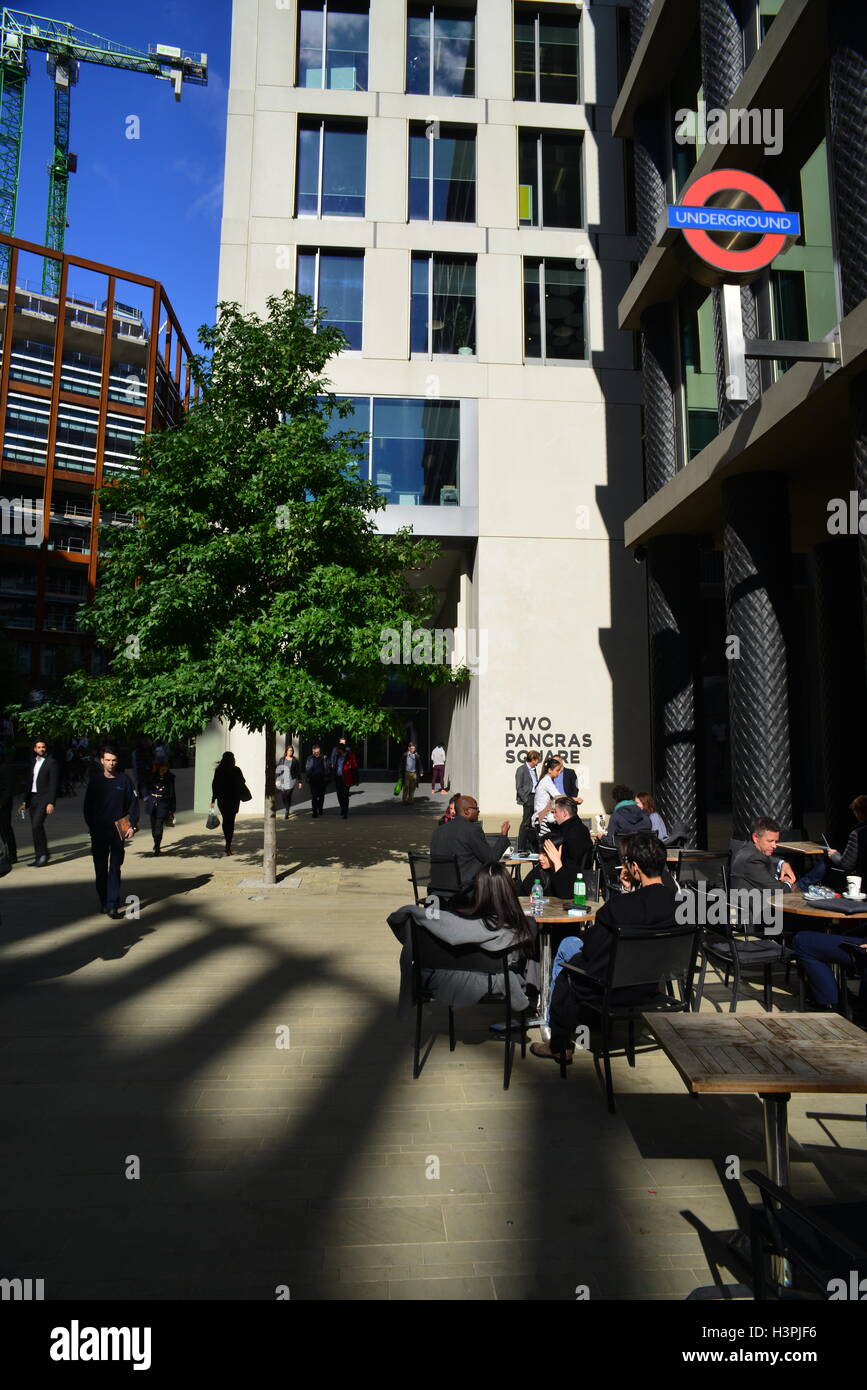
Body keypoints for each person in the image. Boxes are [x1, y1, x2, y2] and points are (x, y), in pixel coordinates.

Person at [531, 832, 680, 1062]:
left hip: (612, 987)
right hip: (650, 983)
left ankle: (558, 1043)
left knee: (568, 950)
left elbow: (591, 949)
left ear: (634, 868)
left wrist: (626, 894)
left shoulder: (620, 906)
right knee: (572, 945)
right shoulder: (680, 905)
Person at [387, 862, 538, 1017]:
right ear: (509, 891)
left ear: (478, 890)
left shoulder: (446, 923)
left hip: (440, 977)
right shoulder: (517, 928)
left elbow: (397, 918)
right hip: (493, 980)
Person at [83, 744, 139, 917]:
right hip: (99, 830)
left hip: (118, 829)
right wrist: (92, 826)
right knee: (100, 869)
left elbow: (133, 805)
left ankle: (113, 904)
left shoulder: (124, 780)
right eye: (108, 760)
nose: (111, 763)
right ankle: (104, 901)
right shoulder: (95, 782)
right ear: (102, 761)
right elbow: (87, 808)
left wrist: (132, 825)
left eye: (114, 760)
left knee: (115, 867)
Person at [429, 794, 510, 893]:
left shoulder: (438, 831)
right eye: (476, 809)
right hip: (464, 890)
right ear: (467, 811)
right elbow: (491, 859)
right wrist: (503, 835)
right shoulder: (472, 830)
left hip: (437, 888)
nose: (479, 812)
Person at [531, 797, 594, 898]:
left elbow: (566, 864)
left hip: (569, 880)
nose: (554, 815)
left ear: (564, 813)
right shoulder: (578, 828)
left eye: (555, 812)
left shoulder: (572, 834)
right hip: (580, 876)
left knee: (538, 874)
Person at [19, 737, 60, 867]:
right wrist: (25, 801)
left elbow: (54, 784)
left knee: (36, 825)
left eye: (43, 747)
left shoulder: (51, 762)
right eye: (39, 747)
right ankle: (40, 855)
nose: (41, 749)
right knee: (35, 828)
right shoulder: (33, 762)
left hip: (44, 799)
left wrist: (51, 802)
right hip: (33, 799)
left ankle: (43, 855)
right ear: (34, 749)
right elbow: (29, 783)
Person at [730, 817, 796, 892]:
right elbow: (777, 890)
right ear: (755, 837)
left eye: (775, 841)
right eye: (770, 841)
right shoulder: (751, 860)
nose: (774, 846)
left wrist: (782, 863)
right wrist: (789, 883)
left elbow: (767, 858)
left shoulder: (750, 849)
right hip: (757, 902)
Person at [210, 751, 250, 855]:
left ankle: (227, 840)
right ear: (232, 759)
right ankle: (228, 844)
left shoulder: (219, 770)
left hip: (222, 799)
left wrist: (213, 800)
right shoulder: (236, 770)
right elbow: (243, 781)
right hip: (233, 799)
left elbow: (215, 785)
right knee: (231, 821)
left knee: (225, 819)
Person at [141, 760, 176, 855]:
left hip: (163, 804)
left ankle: (157, 846)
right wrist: (146, 797)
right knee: (153, 826)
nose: (164, 770)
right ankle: (156, 841)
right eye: (162, 768)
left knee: (159, 826)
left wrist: (173, 808)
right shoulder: (152, 776)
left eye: (166, 769)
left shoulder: (170, 778)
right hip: (152, 803)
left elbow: (172, 793)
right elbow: (144, 785)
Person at [515, 750, 542, 853]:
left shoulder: (534, 769)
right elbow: (519, 787)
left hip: (535, 797)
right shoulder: (521, 770)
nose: (538, 761)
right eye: (537, 759)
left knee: (532, 822)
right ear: (533, 759)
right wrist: (526, 800)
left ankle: (530, 844)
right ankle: (521, 846)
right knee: (526, 822)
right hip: (528, 798)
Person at [330, 738, 358, 819]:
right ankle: (342, 808)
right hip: (338, 777)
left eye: (337, 749)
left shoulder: (349, 756)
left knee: (345, 795)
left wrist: (356, 780)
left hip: (346, 778)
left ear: (340, 750)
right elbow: (334, 764)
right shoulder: (337, 756)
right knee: (339, 795)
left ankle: (345, 812)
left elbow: (354, 767)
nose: (336, 751)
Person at [275, 744, 302, 819]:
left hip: (291, 780)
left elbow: (298, 771)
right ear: (286, 751)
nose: (290, 752)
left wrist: (300, 781)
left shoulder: (295, 760)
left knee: (288, 794)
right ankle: (287, 806)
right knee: (283, 795)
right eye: (289, 750)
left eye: (291, 751)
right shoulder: (282, 759)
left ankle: (287, 811)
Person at [0, 748, 16, 866]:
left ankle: (12, 854)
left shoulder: (4, 767)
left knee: (6, 829)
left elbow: (8, 789)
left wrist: (2, 803)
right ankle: (4, 853)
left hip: (3, 806)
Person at [305, 743, 330, 818]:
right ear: (312, 751)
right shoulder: (309, 758)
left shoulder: (324, 757)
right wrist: (309, 774)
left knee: (321, 796)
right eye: (315, 752)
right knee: (314, 796)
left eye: (318, 752)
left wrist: (327, 775)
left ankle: (320, 809)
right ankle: (314, 811)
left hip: (322, 780)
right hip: (313, 780)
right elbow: (307, 768)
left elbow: (328, 767)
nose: (317, 753)